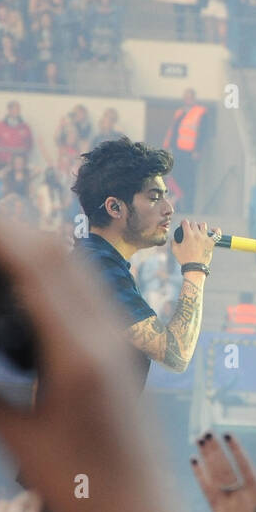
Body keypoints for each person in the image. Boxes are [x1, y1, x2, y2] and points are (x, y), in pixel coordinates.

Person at [69, 137, 218, 393]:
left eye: (166, 197)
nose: (169, 208)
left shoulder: (96, 261)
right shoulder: (98, 268)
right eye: (154, 197)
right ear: (115, 207)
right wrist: (196, 267)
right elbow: (176, 353)